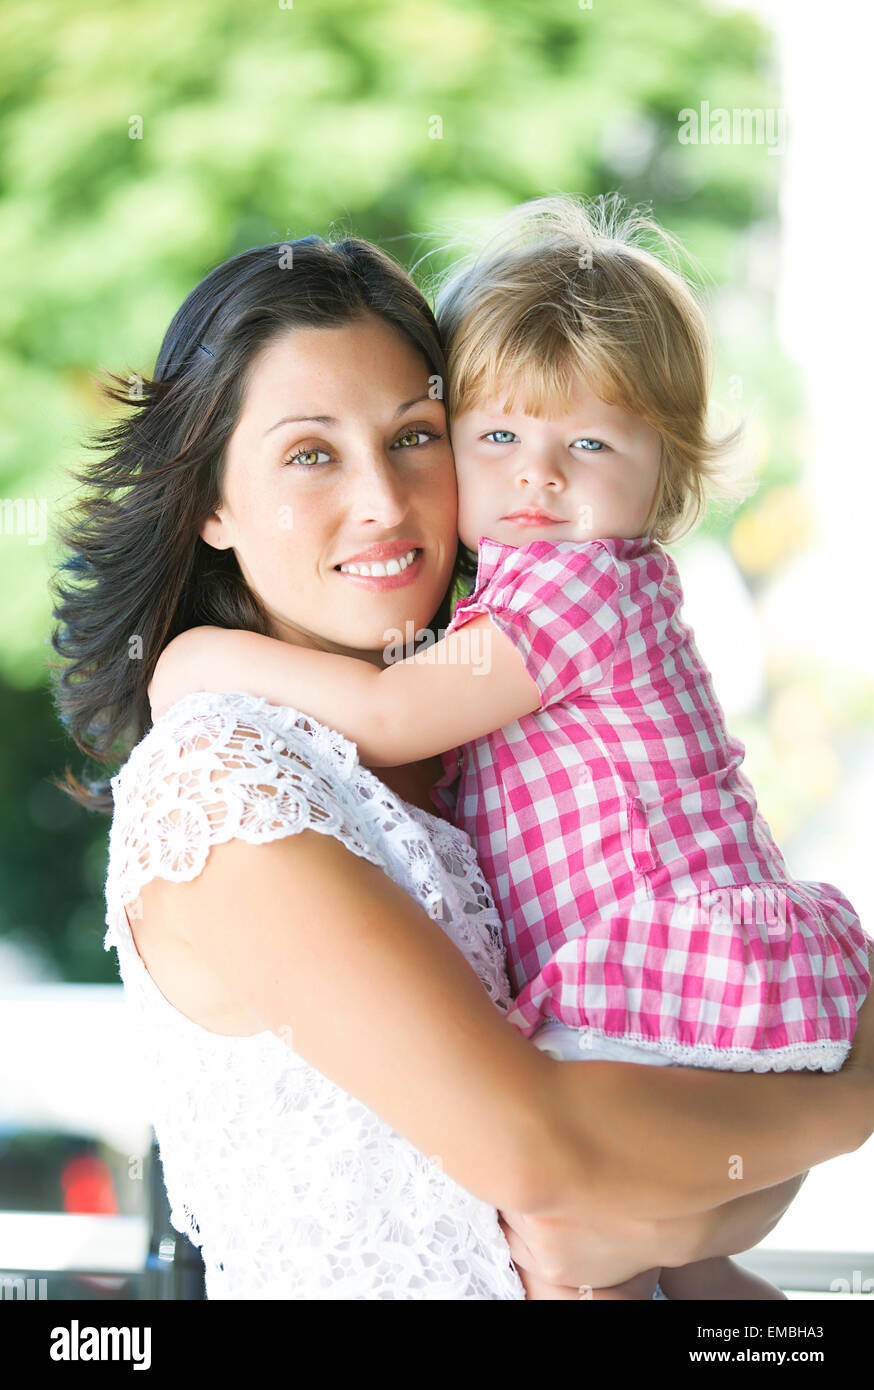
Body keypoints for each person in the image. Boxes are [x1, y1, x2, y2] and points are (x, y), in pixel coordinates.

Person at [51, 231, 874, 1300]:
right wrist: (851, 1100)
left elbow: (671, 1209)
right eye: (310, 453)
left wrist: (701, 1212)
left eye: (413, 436)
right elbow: (545, 1154)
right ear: (210, 501)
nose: (385, 503)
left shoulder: (477, 748)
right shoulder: (228, 790)